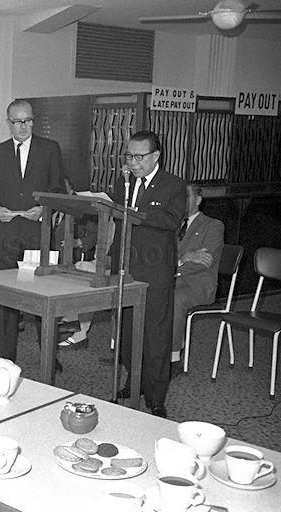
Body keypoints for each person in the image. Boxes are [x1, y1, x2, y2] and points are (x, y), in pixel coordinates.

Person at [0, 99, 65, 362]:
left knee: (43, 296)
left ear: (33, 121)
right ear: (8, 123)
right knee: (7, 299)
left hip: (37, 234)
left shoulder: (50, 149)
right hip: (6, 234)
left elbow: (59, 191)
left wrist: (44, 209)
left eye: (28, 120)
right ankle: (7, 356)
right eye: (17, 121)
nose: (23, 126)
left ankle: (48, 354)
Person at [111, 130, 187, 418]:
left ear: (156, 156)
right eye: (129, 156)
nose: (133, 162)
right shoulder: (125, 182)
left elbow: (170, 220)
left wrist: (135, 212)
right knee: (128, 331)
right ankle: (134, 384)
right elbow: (118, 221)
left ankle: (156, 396)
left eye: (139, 157)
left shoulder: (174, 185)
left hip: (156, 271)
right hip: (127, 267)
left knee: (155, 335)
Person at [171, 184, 224, 372]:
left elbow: (204, 261)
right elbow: (162, 255)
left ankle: (173, 358)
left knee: (175, 298)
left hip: (199, 285)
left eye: (187, 197)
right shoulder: (173, 225)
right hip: (173, 279)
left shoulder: (213, 226)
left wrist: (176, 263)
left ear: (198, 200)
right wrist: (183, 258)